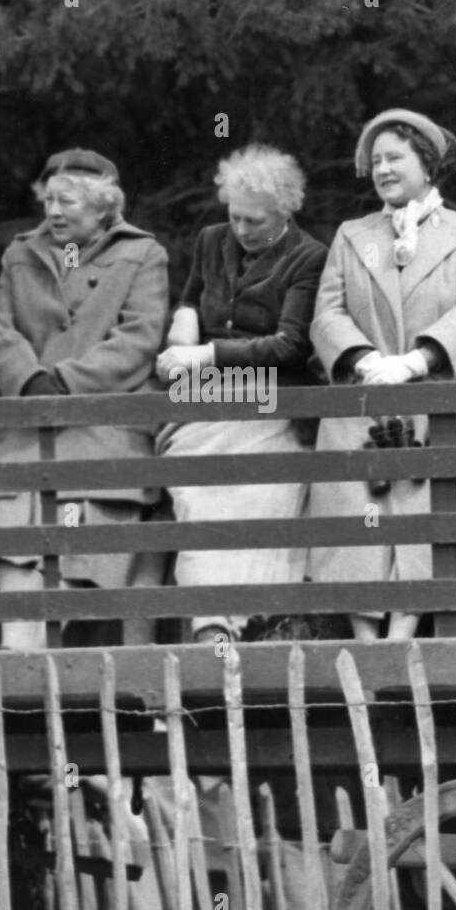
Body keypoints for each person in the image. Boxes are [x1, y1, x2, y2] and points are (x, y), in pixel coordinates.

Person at [308, 109, 456, 641]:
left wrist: (415, 361)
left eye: (396, 158)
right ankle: (368, 642)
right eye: (376, 162)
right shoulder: (352, 235)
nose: (383, 170)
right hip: (362, 404)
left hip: (432, 401)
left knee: (421, 521)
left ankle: (404, 635)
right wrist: (365, 358)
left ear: (428, 164)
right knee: (353, 517)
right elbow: (327, 313)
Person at [0, 149, 168, 650]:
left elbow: (140, 338)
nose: (53, 212)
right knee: (18, 538)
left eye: (67, 202)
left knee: (78, 547)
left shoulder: (143, 253)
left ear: (103, 207)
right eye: (49, 201)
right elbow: (0, 329)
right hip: (29, 432)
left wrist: (67, 380)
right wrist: (29, 378)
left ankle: (29, 667)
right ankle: (19, 660)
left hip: (101, 436)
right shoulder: (21, 253)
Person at [154, 144, 327, 643]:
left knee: (264, 496)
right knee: (201, 498)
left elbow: (292, 344)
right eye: (235, 218)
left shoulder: (308, 258)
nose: (242, 230)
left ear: (284, 212)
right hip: (205, 403)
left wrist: (206, 355)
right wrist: (181, 336)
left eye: (255, 221)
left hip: (272, 399)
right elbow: (189, 299)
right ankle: (213, 626)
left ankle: (252, 624)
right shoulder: (212, 240)